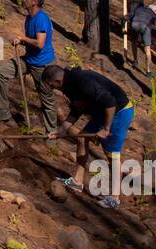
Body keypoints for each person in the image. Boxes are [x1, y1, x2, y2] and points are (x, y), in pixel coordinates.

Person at [47, 66, 134, 209]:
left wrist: (106, 129)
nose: (53, 89)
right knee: (82, 138)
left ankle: (114, 198)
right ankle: (77, 181)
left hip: (119, 111)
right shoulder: (70, 85)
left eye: (52, 86)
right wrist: (62, 130)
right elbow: (77, 109)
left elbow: (110, 102)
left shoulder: (82, 82)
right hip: (104, 111)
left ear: (58, 81)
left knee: (112, 155)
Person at [0, 0, 58, 132]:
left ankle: (51, 133)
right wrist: (20, 42)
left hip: (42, 64)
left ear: (34, 2)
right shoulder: (29, 17)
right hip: (28, 60)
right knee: (2, 71)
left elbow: (40, 44)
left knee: (47, 99)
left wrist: (23, 38)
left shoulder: (41, 19)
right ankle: (2, 110)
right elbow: (32, 42)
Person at [126, 0, 156, 74]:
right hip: (145, 28)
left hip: (134, 25)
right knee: (147, 49)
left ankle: (135, 61)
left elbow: (125, 17)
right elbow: (155, 24)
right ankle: (148, 71)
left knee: (134, 42)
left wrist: (122, 28)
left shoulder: (139, 9)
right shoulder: (153, 14)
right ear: (154, 10)